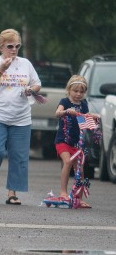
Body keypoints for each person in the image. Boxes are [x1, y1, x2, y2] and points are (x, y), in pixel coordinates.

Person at [0, 28, 41, 206]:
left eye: (17, 46)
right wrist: (1, 70)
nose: (14, 50)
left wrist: (31, 89)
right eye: (10, 46)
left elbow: (37, 84)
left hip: (21, 118)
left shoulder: (25, 64)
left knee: (18, 156)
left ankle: (12, 192)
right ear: (1, 47)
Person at [52, 75, 95, 208]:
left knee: (79, 169)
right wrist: (65, 111)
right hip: (63, 141)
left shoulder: (83, 104)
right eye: (75, 91)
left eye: (81, 92)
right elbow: (57, 113)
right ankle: (63, 192)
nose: (78, 94)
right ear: (69, 90)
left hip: (77, 143)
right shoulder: (64, 101)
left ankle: (78, 197)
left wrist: (93, 117)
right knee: (68, 161)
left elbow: (84, 119)